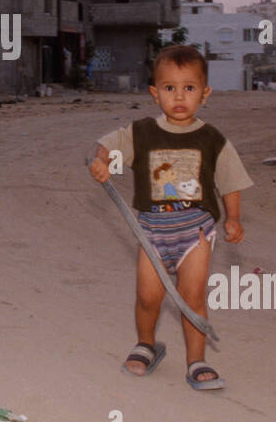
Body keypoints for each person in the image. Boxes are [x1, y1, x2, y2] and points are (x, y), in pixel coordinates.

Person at [88, 44, 252, 389]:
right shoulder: (143, 132)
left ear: (205, 94)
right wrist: (102, 161)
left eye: (189, 88)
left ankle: (197, 362)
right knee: (149, 297)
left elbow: (230, 181)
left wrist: (233, 217)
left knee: (192, 298)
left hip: (195, 232)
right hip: (152, 232)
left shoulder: (213, 139)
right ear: (155, 93)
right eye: (170, 88)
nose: (179, 96)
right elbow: (108, 144)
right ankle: (145, 344)